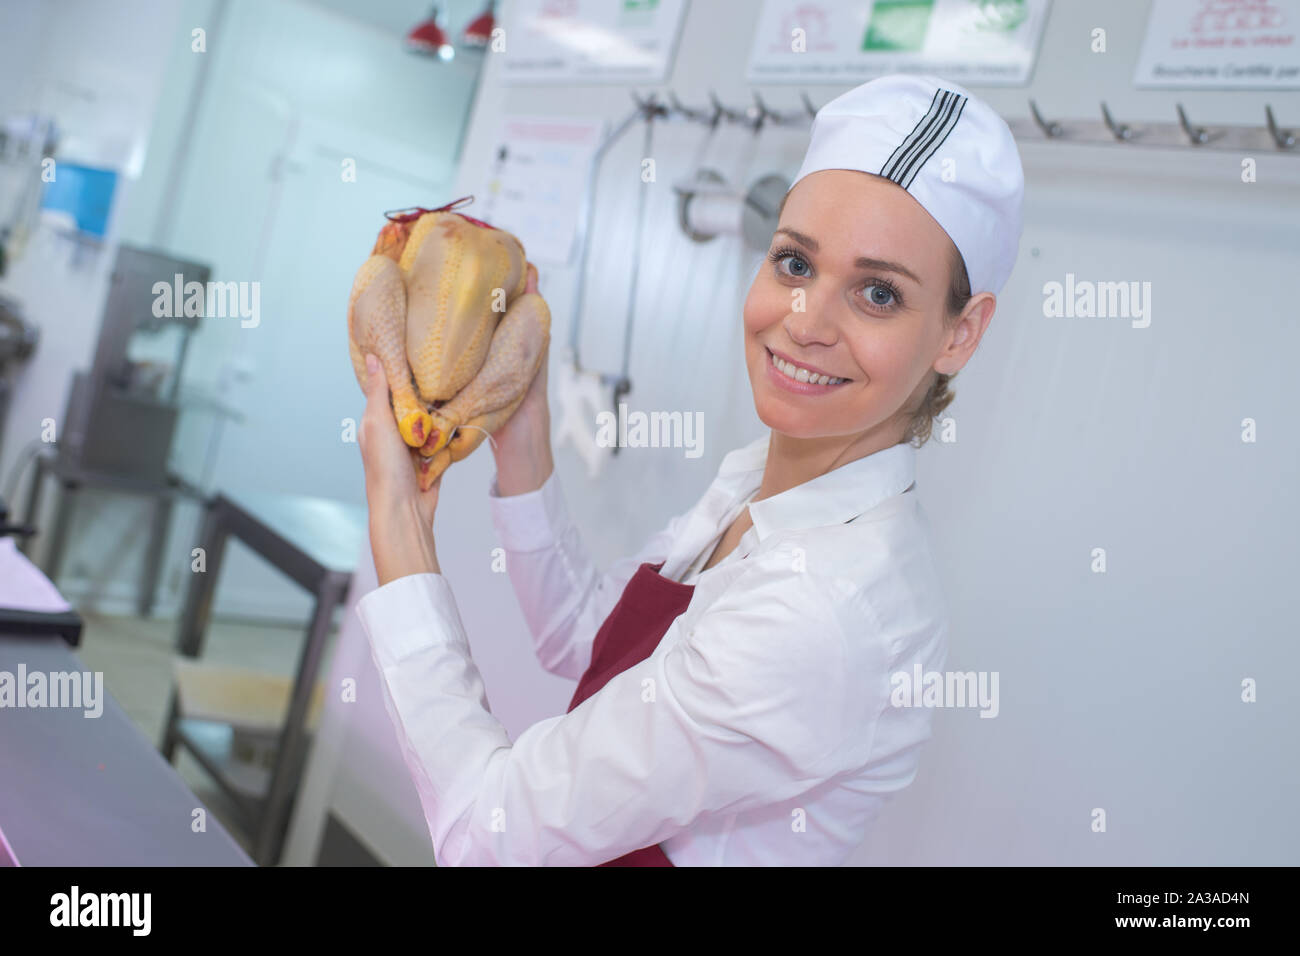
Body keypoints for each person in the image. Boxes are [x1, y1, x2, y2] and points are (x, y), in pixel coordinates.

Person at [355, 73, 1024, 866]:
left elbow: (487, 831)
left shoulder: (823, 609)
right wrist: (523, 432)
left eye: (878, 293)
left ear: (960, 333)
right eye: (795, 264)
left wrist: (398, 522)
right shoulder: (760, 483)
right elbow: (586, 641)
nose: (806, 323)